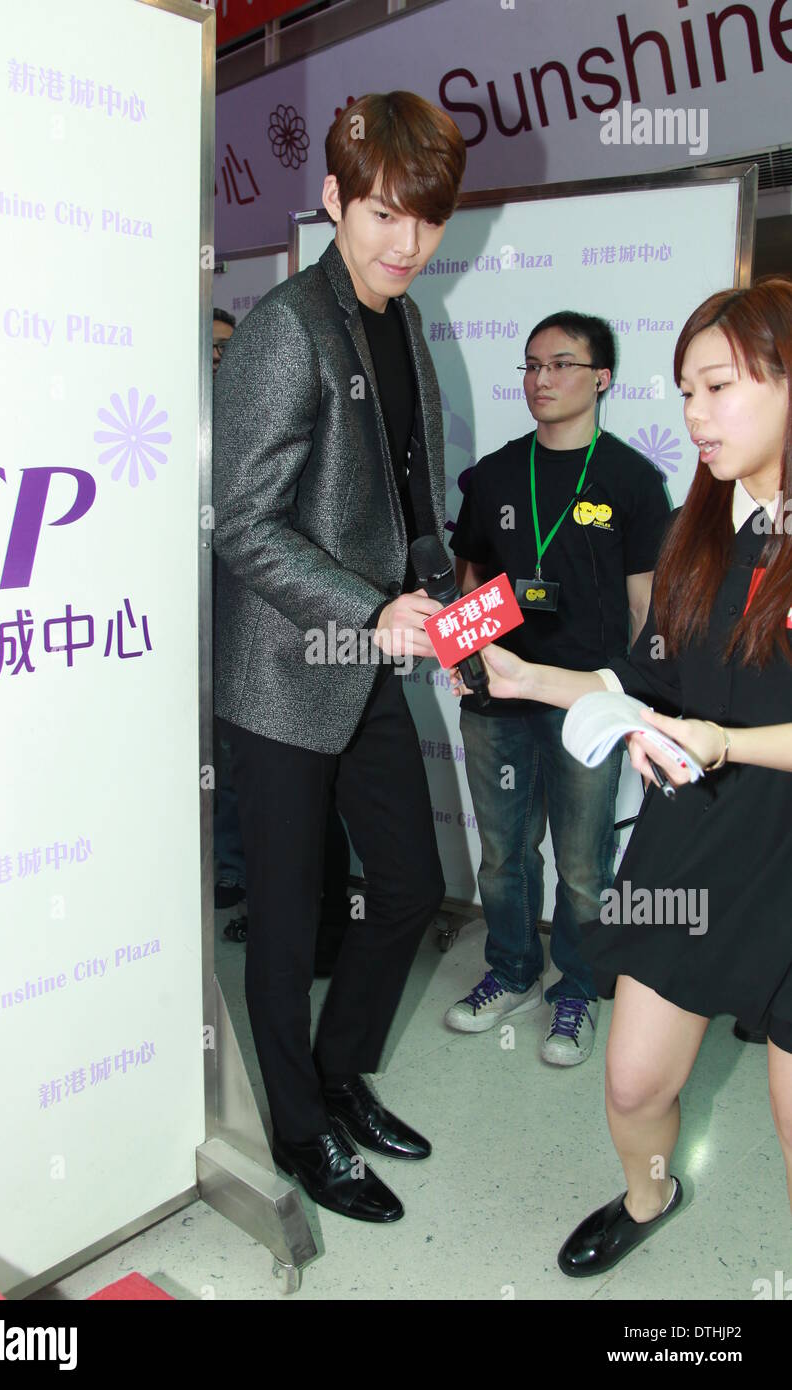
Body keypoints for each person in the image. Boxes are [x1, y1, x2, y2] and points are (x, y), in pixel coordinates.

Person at [456, 277, 792, 1274]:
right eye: (684, 389)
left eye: (718, 385)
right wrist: (531, 676)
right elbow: (636, 677)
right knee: (632, 1085)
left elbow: (717, 727)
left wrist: (725, 741)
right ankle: (648, 1194)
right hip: (693, 841)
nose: (693, 412)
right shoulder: (704, 525)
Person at [211, 92, 466, 1224]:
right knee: (287, 916)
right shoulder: (285, 326)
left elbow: (410, 504)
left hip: (364, 665)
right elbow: (246, 524)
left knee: (406, 884)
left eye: (421, 219)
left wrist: (454, 615)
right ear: (332, 203)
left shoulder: (404, 322)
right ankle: (299, 1127)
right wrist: (371, 615)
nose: (400, 241)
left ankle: (340, 1070)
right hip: (279, 678)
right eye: (377, 213)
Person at [445, 312, 670, 1065]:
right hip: (496, 697)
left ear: (601, 378)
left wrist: (639, 705)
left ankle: (576, 986)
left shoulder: (634, 481)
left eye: (562, 365)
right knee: (504, 854)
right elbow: (471, 576)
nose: (542, 380)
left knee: (581, 865)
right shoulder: (500, 471)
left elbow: (646, 604)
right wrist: (458, 650)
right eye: (532, 365)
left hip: (586, 703)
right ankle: (510, 970)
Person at [210, 307, 247, 911]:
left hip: (249, 626)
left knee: (244, 769)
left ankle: (246, 878)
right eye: (206, 348)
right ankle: (221, 869)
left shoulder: (257, 428)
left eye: (225, 349)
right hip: (187, 630)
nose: (217, 359)